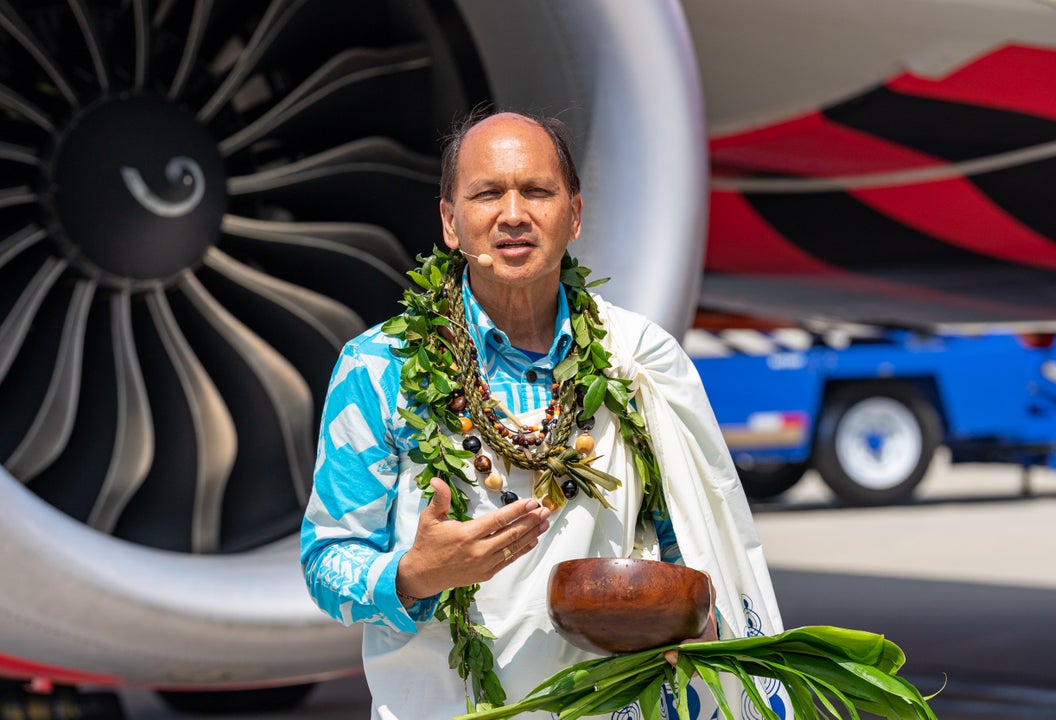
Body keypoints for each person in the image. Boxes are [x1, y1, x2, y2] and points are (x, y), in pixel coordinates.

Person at [301, 109, 790, 719]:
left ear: (575, 216)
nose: (512, 214)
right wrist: (417, 574)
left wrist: (693, 618)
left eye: (536, 191)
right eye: (486, 194)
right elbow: (326, 560)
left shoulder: (638, 360)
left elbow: (692, 538)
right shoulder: (380, 366)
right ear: (451, 222)